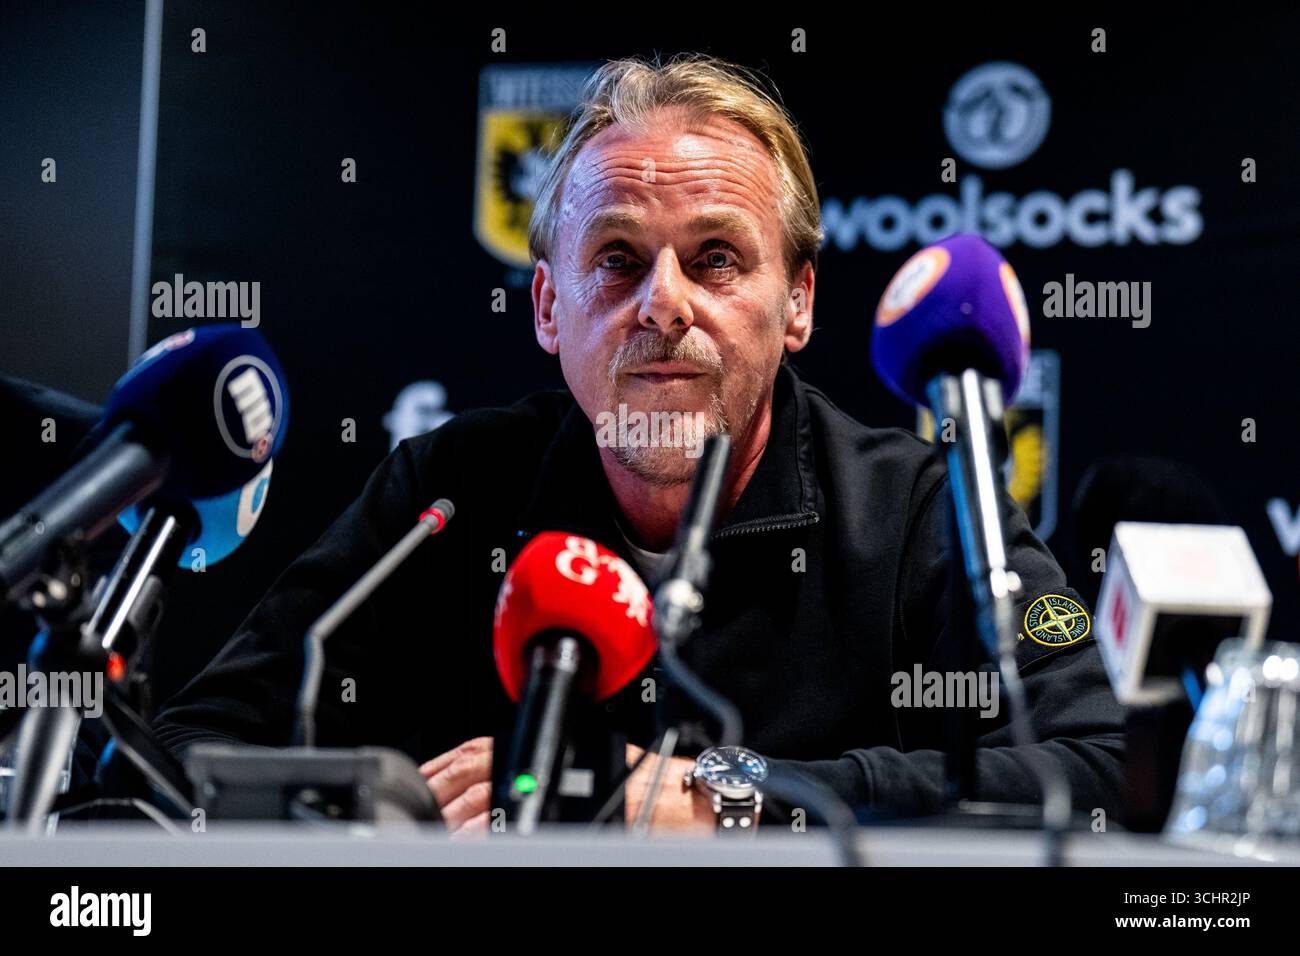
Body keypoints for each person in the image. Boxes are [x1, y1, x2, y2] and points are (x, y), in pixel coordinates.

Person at [153, 55, 1125, 835]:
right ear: (546, 306)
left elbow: (1094, 769)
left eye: (715, 258)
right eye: (615, 260)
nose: (662, 302)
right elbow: (187, 751)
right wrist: (380, 807)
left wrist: (719, 794)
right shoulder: (445, 493)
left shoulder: (918, 509)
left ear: (797, 303)